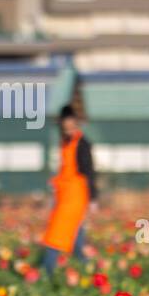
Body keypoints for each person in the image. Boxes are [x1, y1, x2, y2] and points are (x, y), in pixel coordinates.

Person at [39, 105, 97, 273]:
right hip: (64, 195)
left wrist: (93, 198)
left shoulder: (83, 144)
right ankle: (89, 269)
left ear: (76, 123)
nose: (69, 128)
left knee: (55, 234)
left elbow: (89, 172)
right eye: (66, 124)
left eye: (72, 124)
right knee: (76, 238)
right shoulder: (64, 143)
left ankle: (46, 272)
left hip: (76, 196)